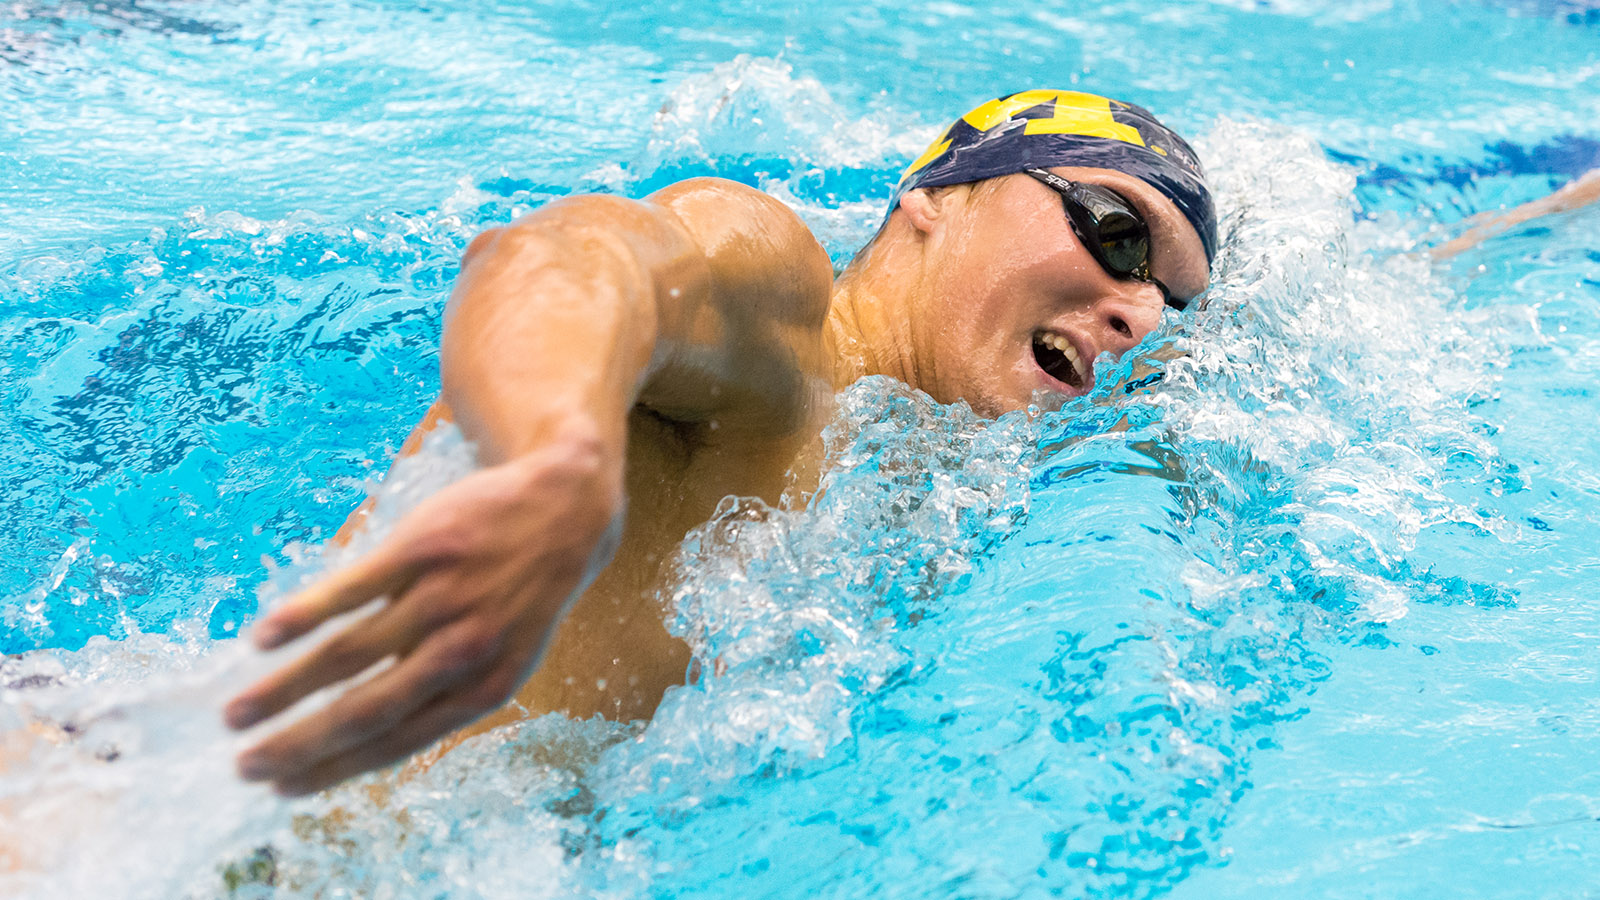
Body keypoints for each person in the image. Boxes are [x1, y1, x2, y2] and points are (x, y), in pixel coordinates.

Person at [219, 89, 1592, 798]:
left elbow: (1350, 303)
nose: (1132, 308)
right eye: (1114, 236)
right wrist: (554, 457)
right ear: (936, 197)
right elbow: (578, 259)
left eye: (1164, 301)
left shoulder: (949, 465)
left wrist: (1547, 218)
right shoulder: (782, 329)